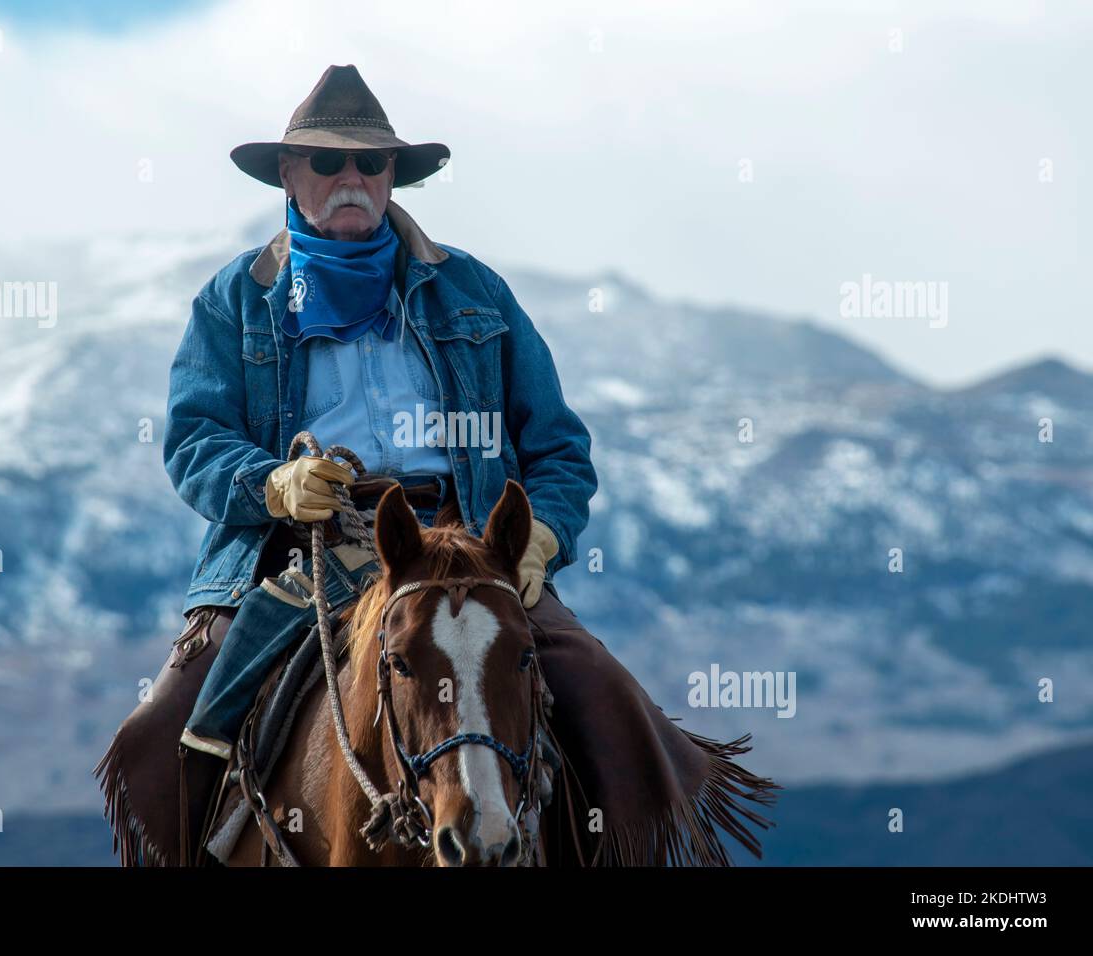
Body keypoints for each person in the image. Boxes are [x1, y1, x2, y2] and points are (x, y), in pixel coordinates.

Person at [96, 64, 776, 867]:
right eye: (326, 162)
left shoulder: (474, 291)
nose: (350, 178)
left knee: (607, 700)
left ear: (392, 176)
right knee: (165, 735)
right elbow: (194, 439)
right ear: (288, 174)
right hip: (303, 548)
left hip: (475, 547)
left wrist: (540, 542)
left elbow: (557, 445)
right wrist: (274, 485)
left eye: (370, 163)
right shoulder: (235, 300)